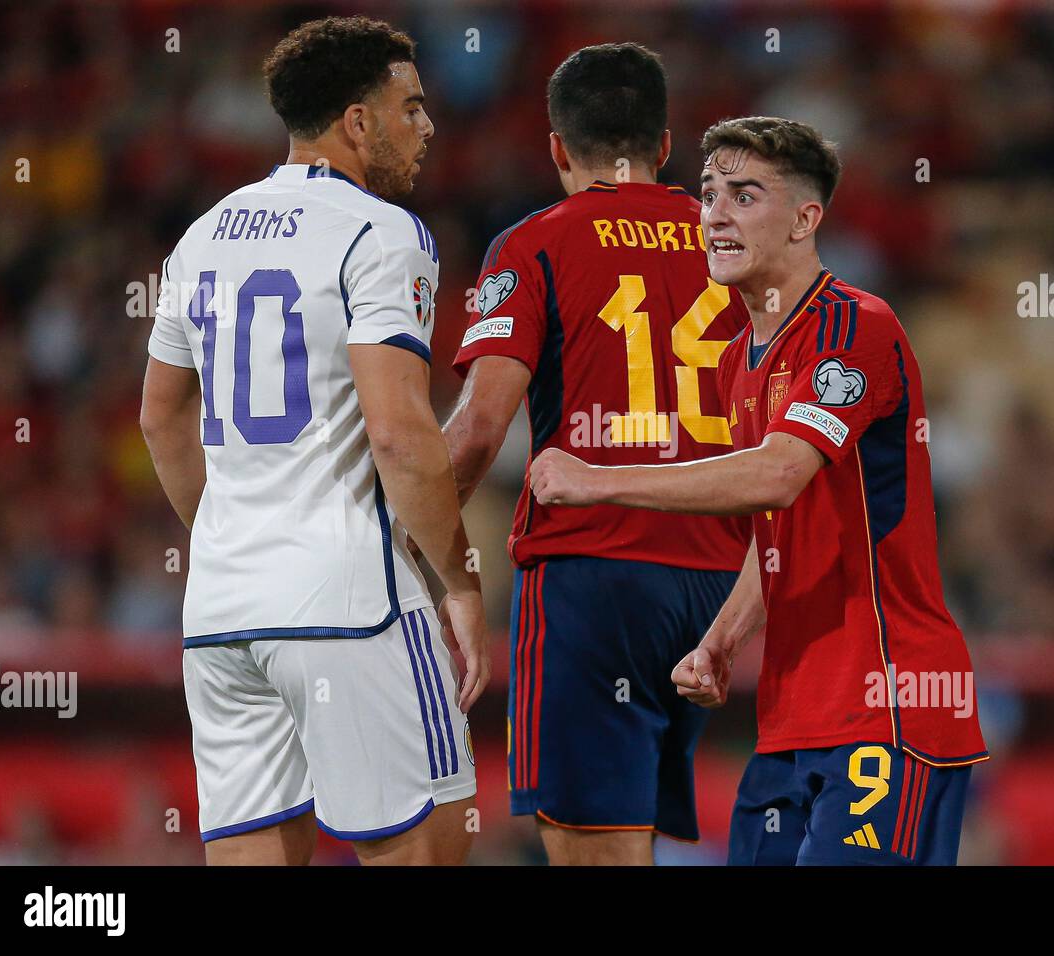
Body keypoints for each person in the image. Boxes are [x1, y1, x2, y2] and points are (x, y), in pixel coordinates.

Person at [530, 116, 989, 865]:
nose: (715, 213)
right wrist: (720, 640)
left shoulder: (853, 326)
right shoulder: (743, 356)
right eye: (709, 193)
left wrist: (597, 480)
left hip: (890, 700)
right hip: (793, 718)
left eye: (745, 196)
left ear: (807, 218)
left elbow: (778, 475)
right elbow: (781, 524)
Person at [140, 16, 486, 866]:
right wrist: (462, 583)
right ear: (358, 122)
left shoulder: (202, 235)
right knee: (424, 850)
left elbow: (158, 415)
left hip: (222, 608)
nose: (428, 126)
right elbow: (402, 437)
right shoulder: (382, 234)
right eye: (410, 107)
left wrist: (229, 530)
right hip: (349, 601)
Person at [446, 44, 749, 865]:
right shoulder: (738, 243)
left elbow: (479, 428)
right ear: (663, 144)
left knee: (597, 847)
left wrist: (408, 536)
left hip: (595, 573)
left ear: (555, 146)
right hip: (725, 583)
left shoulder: (533, 244)